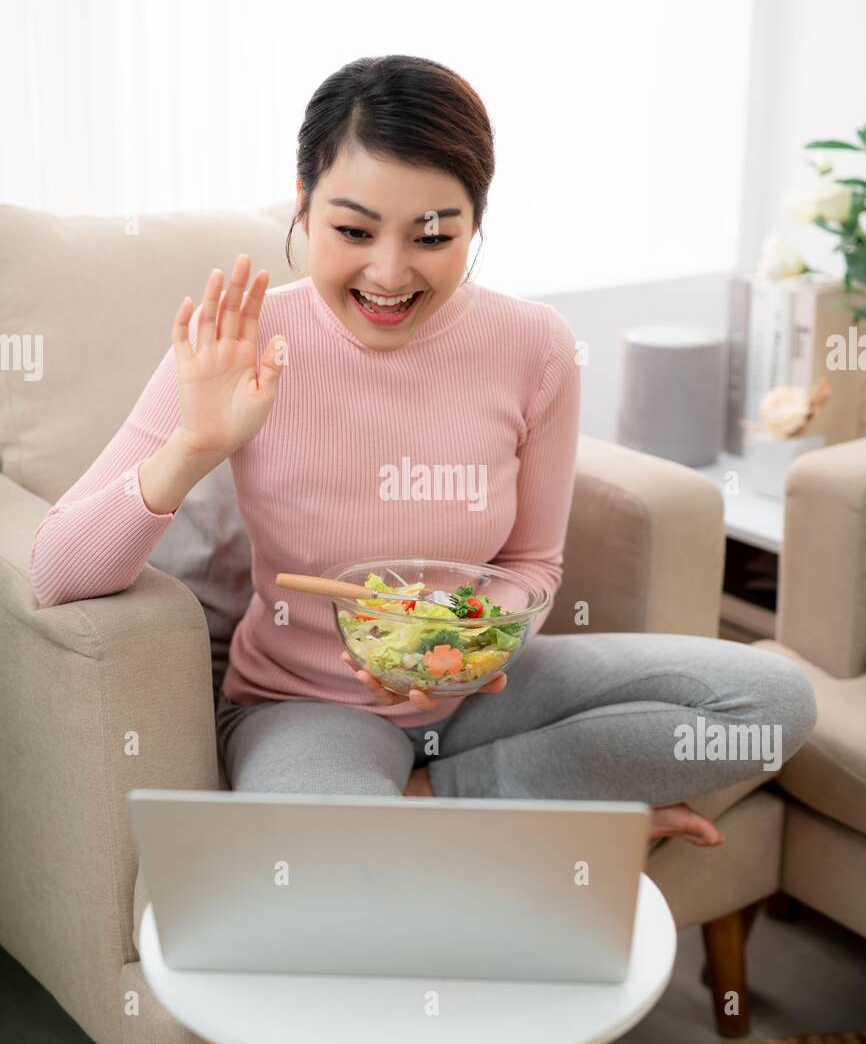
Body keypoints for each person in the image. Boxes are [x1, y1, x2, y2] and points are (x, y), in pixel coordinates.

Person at [29, 54, 817, 847]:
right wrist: (195, 446)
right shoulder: (246, 339)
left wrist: (462, 648)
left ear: (476, 223)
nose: (388, 272)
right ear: (303, 208)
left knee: (769, 707)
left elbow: (532, 567)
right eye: (353, 230)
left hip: (481, 693)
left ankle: (434, 797)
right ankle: (514, 808)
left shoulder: (534, 345)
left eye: (433, 235)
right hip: (305, 708)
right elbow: (57, 570)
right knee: (335, 858)